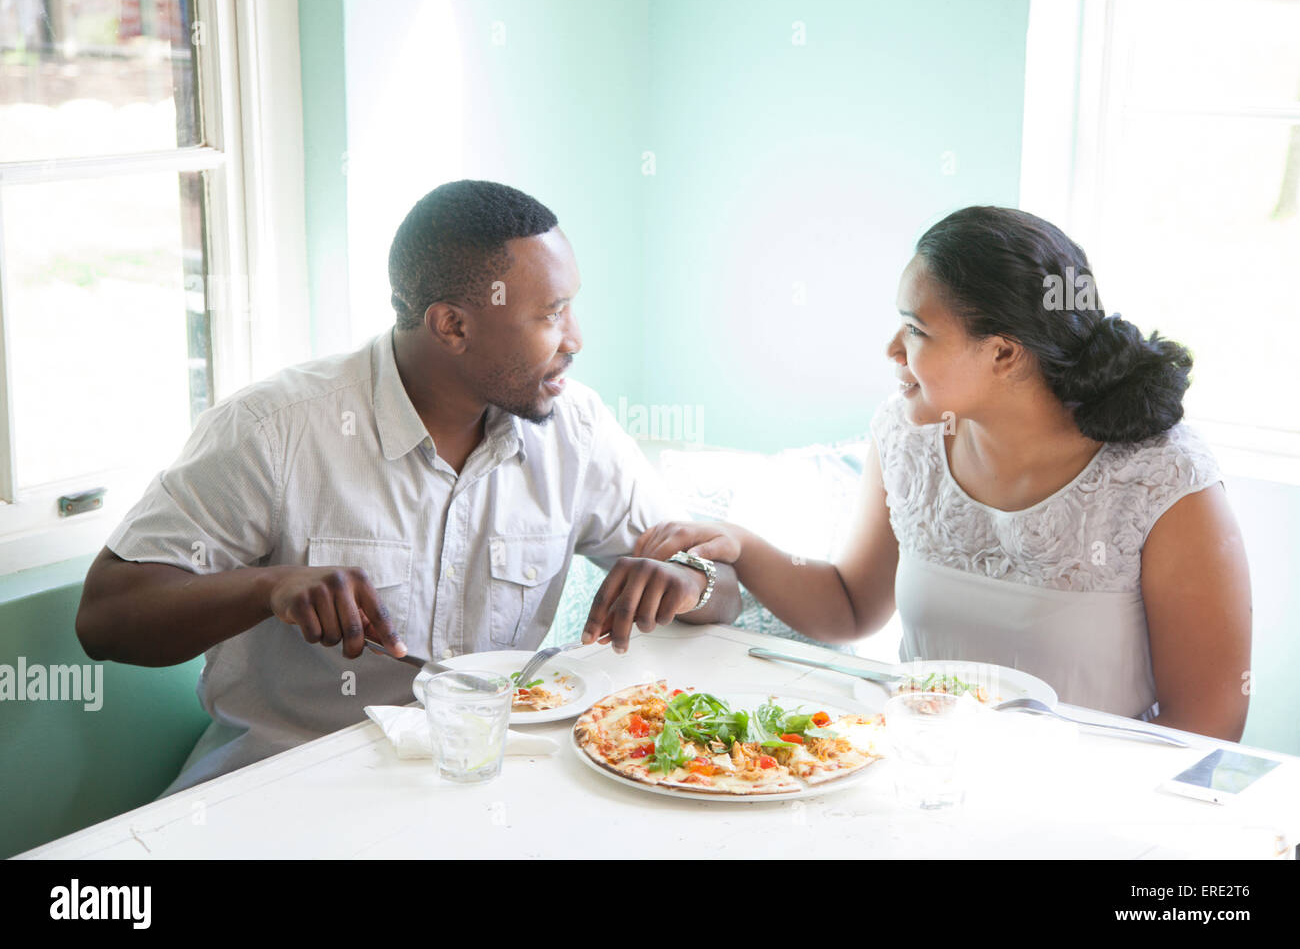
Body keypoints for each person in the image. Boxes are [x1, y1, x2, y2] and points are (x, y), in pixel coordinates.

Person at [75, 179, 740, 794]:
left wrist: (690, 581)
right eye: (552, 314)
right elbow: (106, 619)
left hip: (482, 792)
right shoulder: (275, 429)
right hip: (284, 795)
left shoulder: (576, 430)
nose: (576, 339)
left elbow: (722, 591)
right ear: (452, 326)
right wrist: (268, 586)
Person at [633, 206, 1251, 741]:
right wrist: (742, 544)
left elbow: (1208, 724)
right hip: (922, 777)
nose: (891, 349)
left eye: (917, 329)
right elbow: (851, 607)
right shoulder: (906, 437)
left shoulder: (1164, 479)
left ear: (1004, 352)